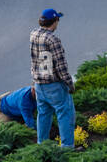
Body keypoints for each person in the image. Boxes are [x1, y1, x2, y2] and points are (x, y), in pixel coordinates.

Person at [30, 8, 76, 147]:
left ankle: (41, 146)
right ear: (55, 21)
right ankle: (67, 149)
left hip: (39, 84)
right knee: (65, 114)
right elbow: (61, 66)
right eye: (58, 20)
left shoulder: (33, 34)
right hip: (54, 85)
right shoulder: (53, 39)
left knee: (43, 114)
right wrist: (70, 84)